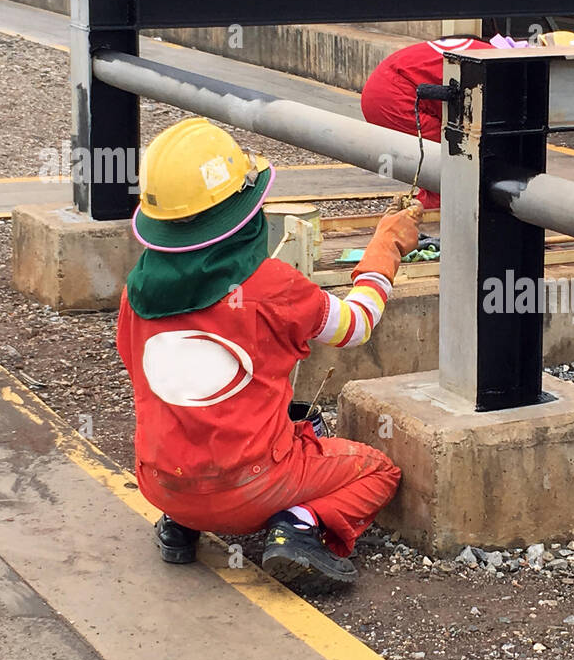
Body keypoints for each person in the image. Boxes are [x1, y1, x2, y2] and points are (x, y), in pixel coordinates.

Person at [116, 117, 423, 590]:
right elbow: (355, 325)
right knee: (378, 471)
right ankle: (295, 528)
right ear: (243, 211)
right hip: (249, 488)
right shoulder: (273, 286)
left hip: (160, 482)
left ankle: (181, 524)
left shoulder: (136, 294)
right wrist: (385, 249)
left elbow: (152, 375)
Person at [360, 30, 574, 209]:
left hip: (389, 87)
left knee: (443, 162)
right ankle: (439, 226)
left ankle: (428, 213)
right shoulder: (498, 68)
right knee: (451, 163)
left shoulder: (491, 54)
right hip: (394, 94)